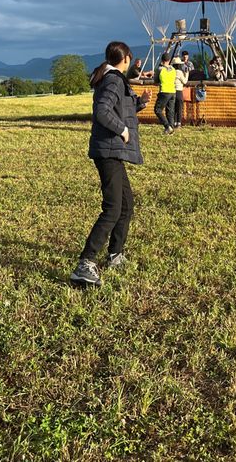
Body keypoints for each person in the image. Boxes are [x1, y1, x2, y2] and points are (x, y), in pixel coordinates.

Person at [70, 41, 151, 288]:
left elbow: (119, 108)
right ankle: (85, 264)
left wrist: (140, 104)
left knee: (126, 203)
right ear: (125, 58)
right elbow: (103, 111)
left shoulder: (111, 78)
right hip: (108, 151)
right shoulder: (114, 79)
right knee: (114, 208)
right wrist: (123, 129)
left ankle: (115, 254)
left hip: (111, 151)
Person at [154, 52, 176, 134]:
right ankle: (171, 128)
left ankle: (167, 126)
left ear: (161, 60)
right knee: (170, 111)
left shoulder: (160, 69)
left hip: (164, 91)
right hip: (173, 91)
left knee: (158, 110)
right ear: (169, 60)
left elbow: (155, 81)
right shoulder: (173, 70)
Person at [172, 56, 188, 128]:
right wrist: (187, 74)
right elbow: (184, 81)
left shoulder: (171, 71)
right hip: (179, 91)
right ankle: (179, 123)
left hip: (172, 91)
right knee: (179, 107)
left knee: (174, 107)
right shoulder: (179, 72)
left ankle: (174, 122)